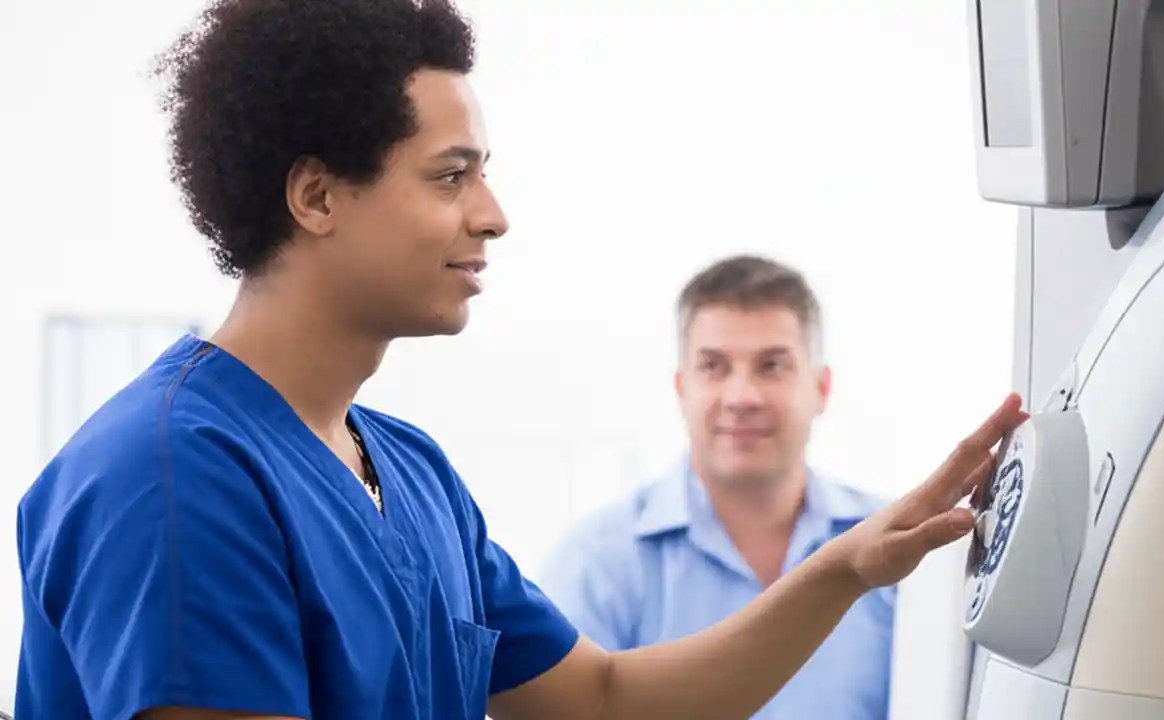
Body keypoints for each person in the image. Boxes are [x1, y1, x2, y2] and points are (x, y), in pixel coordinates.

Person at [13, 1, 1027, 719]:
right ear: (316, 196)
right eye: (450, 177)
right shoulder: (174, 476)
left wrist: (844, 569)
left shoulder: (409, 476)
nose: (491, 217)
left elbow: (603, 699)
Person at [541, 255, 896, 719]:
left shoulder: (895, 557)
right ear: (681, 388)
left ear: (821, 387)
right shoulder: (598, 563)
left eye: (772, 366)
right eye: (713, 367)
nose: (742, 396)